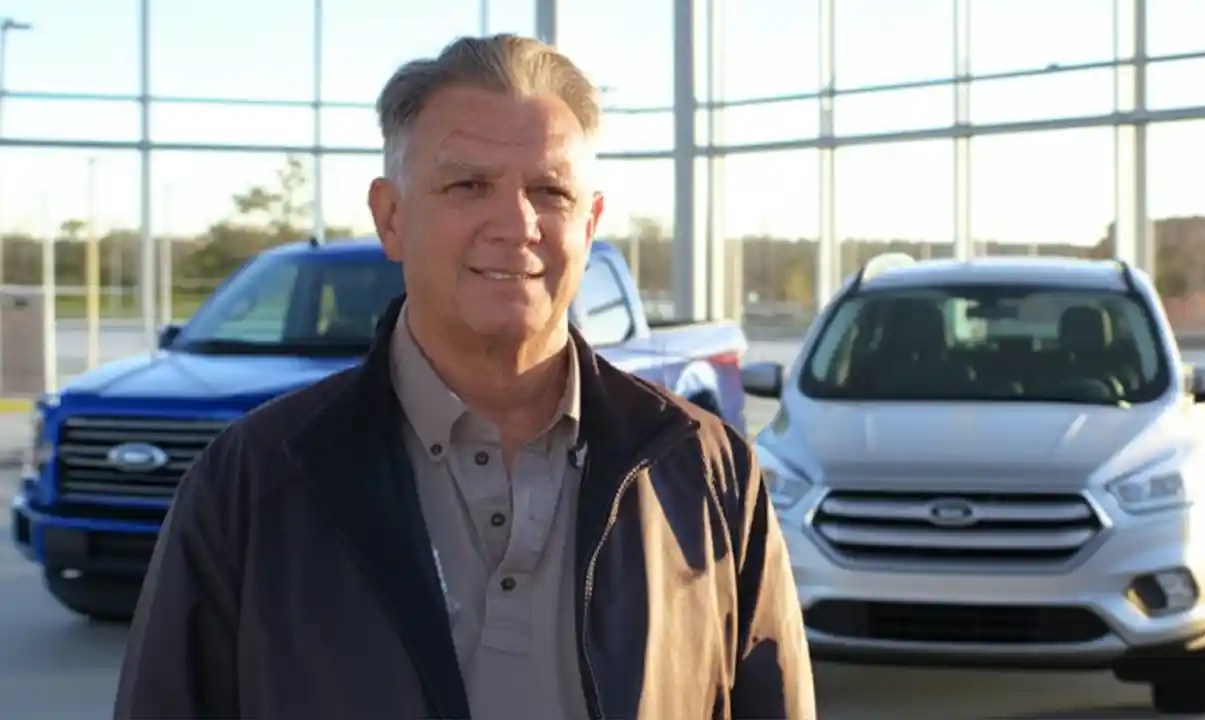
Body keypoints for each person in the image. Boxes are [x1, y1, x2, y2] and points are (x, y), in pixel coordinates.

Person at [114, 33, 816, 720]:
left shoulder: (702, 470)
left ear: (591, 221)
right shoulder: (253, 484)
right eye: (469, 185)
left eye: (550, 191)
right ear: (391, 216)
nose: (515, 223)